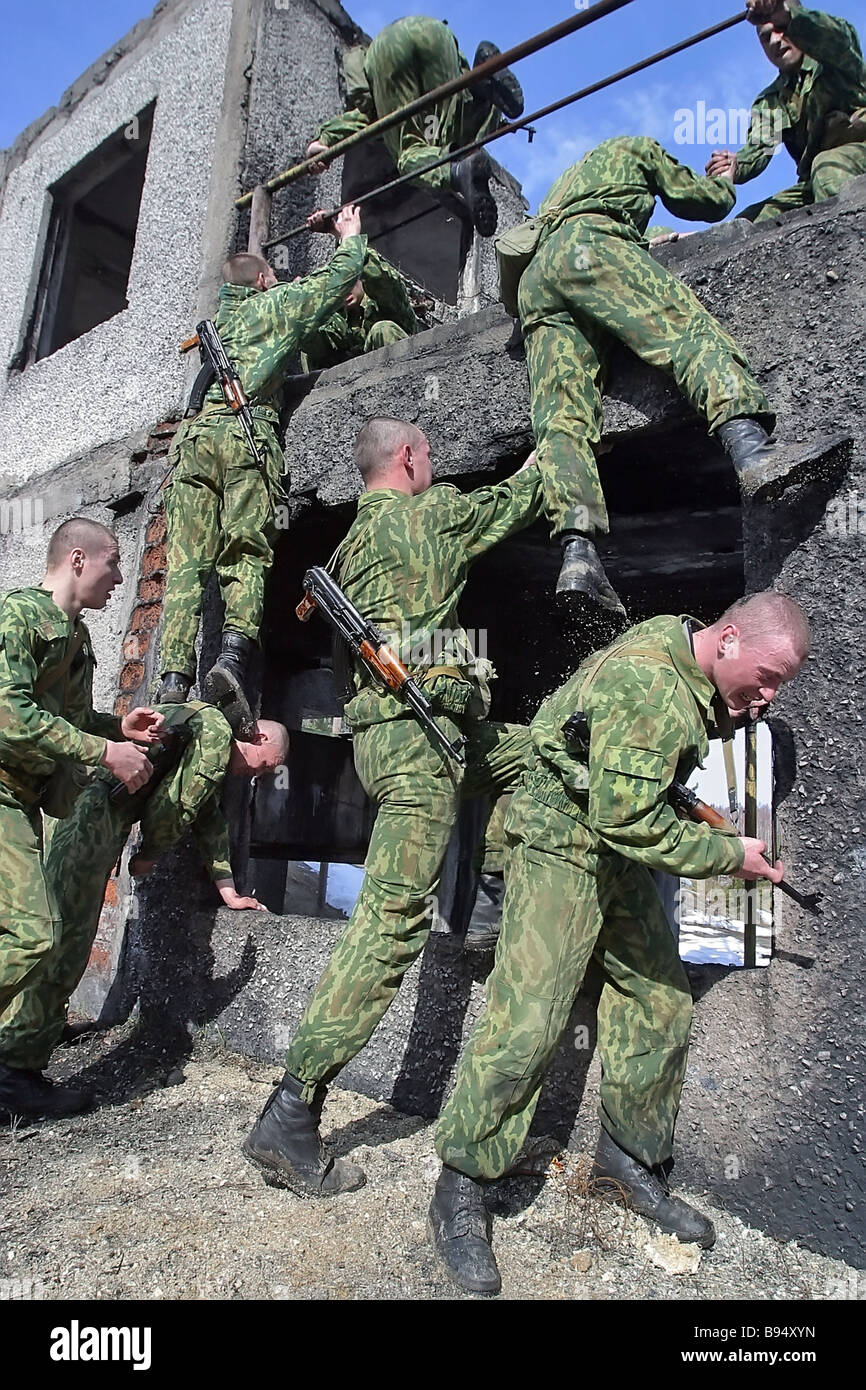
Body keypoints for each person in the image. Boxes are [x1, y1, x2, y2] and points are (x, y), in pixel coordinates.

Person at [427, 592, 809, 1294]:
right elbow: (628, 819)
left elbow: (636, 798)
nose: (770, 695)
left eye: (780, 684)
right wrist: (732, 856)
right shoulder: (654, 684)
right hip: (563, 838)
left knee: (659, 998)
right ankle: (463, 1183)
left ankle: (626, 1162)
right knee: (530, 1017)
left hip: (612, 844)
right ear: (729, 639)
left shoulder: (685, 660)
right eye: (769, 676)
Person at [242, 418, 542, 1197]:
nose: (435, 468)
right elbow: (521, 497)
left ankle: (489, 900)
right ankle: (291, 1109)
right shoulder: (430, 514)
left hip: (395, 742)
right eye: (430, 456)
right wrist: (563, 438)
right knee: (391, 923)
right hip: (419, 748)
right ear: (407, 458)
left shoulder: (347, 551)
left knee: (538, 754)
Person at [517, 135, 838, 613]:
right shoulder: (636, 147)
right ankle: (754, 454)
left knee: (562, 416)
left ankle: (578, 552)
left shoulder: (565, 184)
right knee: (685, 333)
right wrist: (726, 181)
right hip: (591, 247)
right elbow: (703, 202)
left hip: (535, 281)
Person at [0, 709, 289, 1120]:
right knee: (64, 938)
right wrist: (150, 852)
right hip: (96, 816)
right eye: (266, 765)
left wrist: (229, 890)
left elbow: (208, 819)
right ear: (259, 738)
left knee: (68, 933)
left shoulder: (209, 738)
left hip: (97, 812)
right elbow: (176, 807)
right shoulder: (215, 735)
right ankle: (15, 1069)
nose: (258, 775)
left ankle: (38, 1028)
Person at [156, 204, 368, 731]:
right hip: (244, 436)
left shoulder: (217, 324)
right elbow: (332, 283)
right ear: (262, 280)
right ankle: (231, 658)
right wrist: (349, 236)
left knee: (186, 564)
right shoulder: (271, 305)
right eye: (272, 277)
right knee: (246, 550)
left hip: (193, 444)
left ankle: (172, 680)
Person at [0, 519, 162, 1045]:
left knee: (29, 934)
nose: (120, 578)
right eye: (112, 563)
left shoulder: (77, 634)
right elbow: (8, 712)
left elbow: (71, 720)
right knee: (33, 934)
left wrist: (118, 728)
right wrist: (106, 753)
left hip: (22, 800)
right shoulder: (20, 614)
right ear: (77, 560)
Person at [305, 17, 524, 237]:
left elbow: (362, 118)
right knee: (453, 116)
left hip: (392, 51)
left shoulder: (386, 104)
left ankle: (458, 171)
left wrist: (324, 140)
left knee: (411, 154)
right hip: (435, 34)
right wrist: (325, 141)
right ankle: (482, 88)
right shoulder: (412, 114)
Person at [707, 1, 866, 222]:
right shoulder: (772, 100)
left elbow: (840, 38)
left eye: (780, 30)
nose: (775, 41)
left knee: (827, 168)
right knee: (748, 223)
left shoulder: (832, 60)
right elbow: (759, 148)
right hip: (816, 180)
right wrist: (734, 165)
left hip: (851, 160)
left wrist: (787, 15)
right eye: (766, 37)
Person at [299, 213, 418, 370]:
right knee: (308, 343)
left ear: (360, 276)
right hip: (360, 380)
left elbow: (381, 280)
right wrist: (298, 304)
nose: (344, 291)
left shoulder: (382, 300)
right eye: (339, 287)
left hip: (401, 370)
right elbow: (323, 340)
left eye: (348, 281)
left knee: (382, 329)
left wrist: (345, 238)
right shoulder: (339, 317)